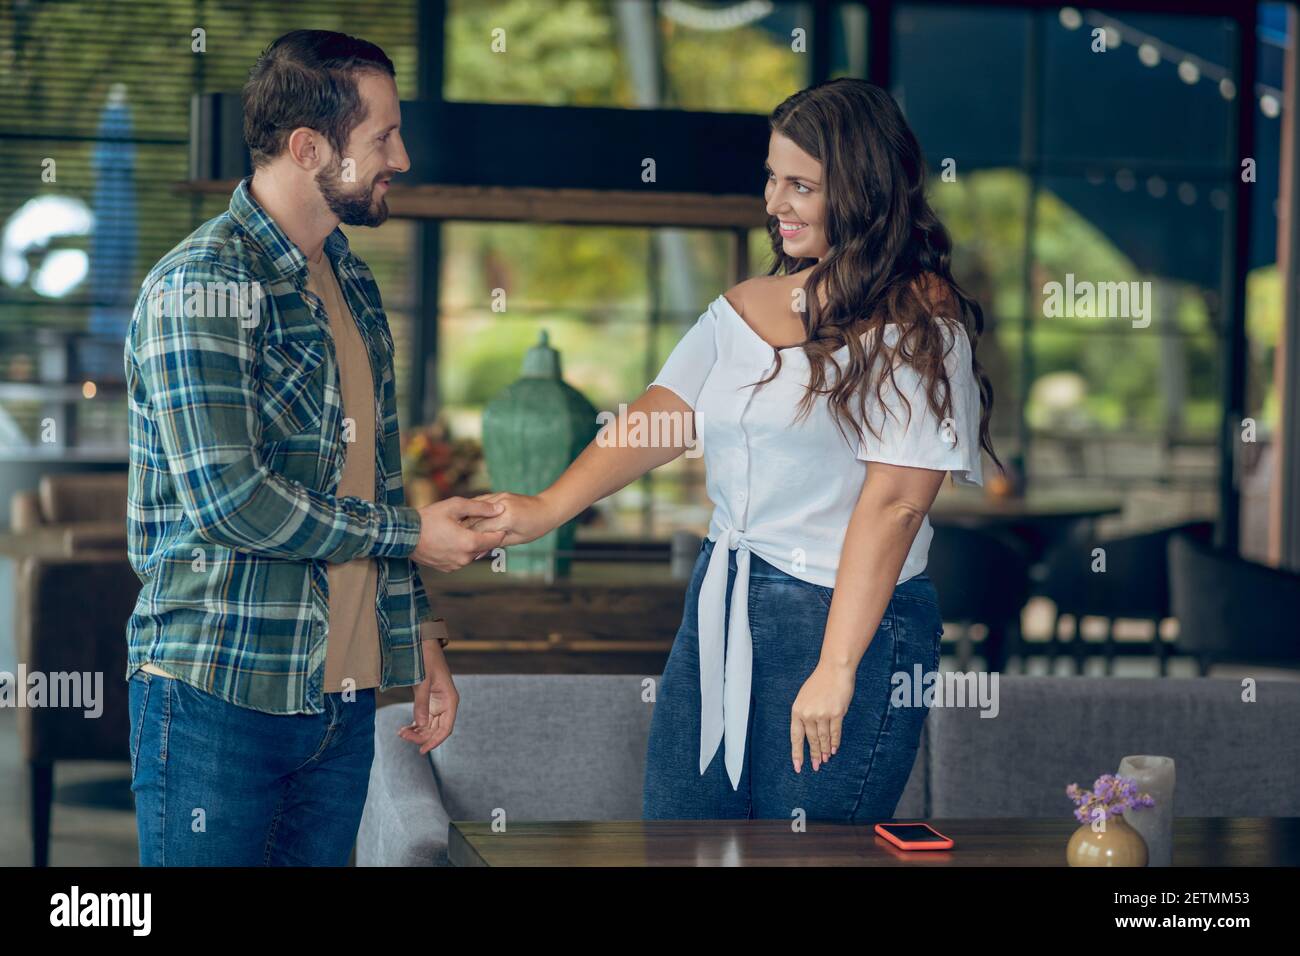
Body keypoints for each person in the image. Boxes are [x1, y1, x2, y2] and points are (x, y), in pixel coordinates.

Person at [466, 78, 1002, 821]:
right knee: (682, 838)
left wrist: (837, 667)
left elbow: (899, 501)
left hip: (848, 619)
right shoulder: (745, 306)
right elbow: (665, 409)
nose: (775, 203)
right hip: (723, 598)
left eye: (801, 185)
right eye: (771, 178)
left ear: (864, 190)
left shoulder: (921, 323)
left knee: (803, 854)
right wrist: (546, 509)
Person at [123, 30, 505, 866]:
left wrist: (424, 644)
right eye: (383, 137)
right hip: (215, 694)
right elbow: (232, 501)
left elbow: (379, 475)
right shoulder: (202, 287)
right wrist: (413, 534)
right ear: (308, 147)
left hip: (341, 700)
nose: (401, 155)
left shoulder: (354, 281)